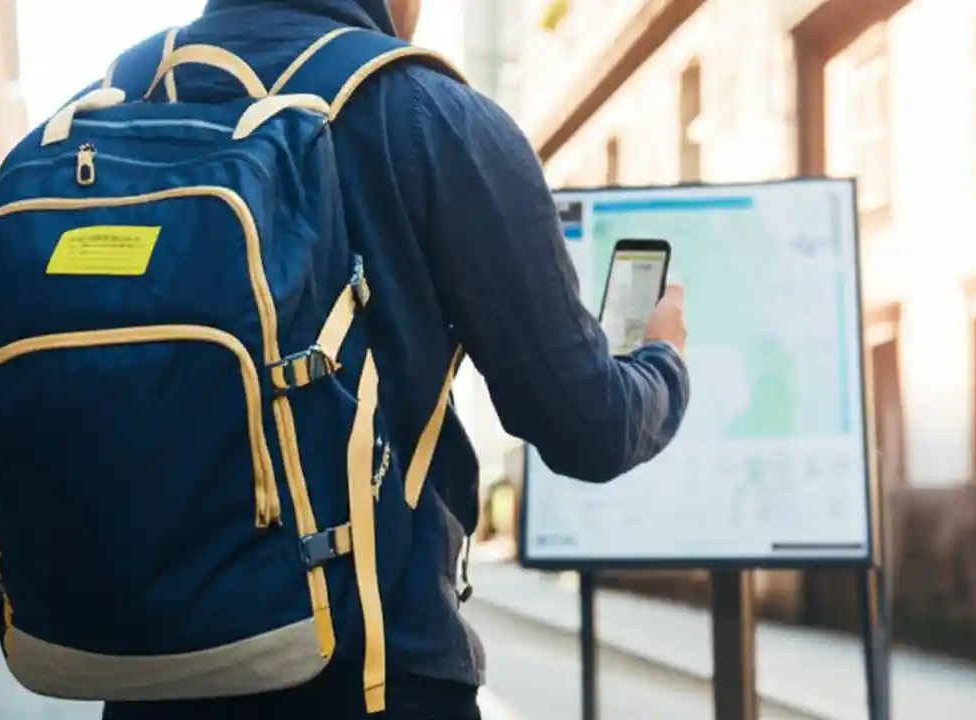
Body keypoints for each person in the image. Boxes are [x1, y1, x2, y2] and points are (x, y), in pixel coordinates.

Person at [84, 1, 690, 717]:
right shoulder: (429, 115)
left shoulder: (110, 106)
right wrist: (663, 358)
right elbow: (591, 424)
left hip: (154, 677)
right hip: (371, 674)